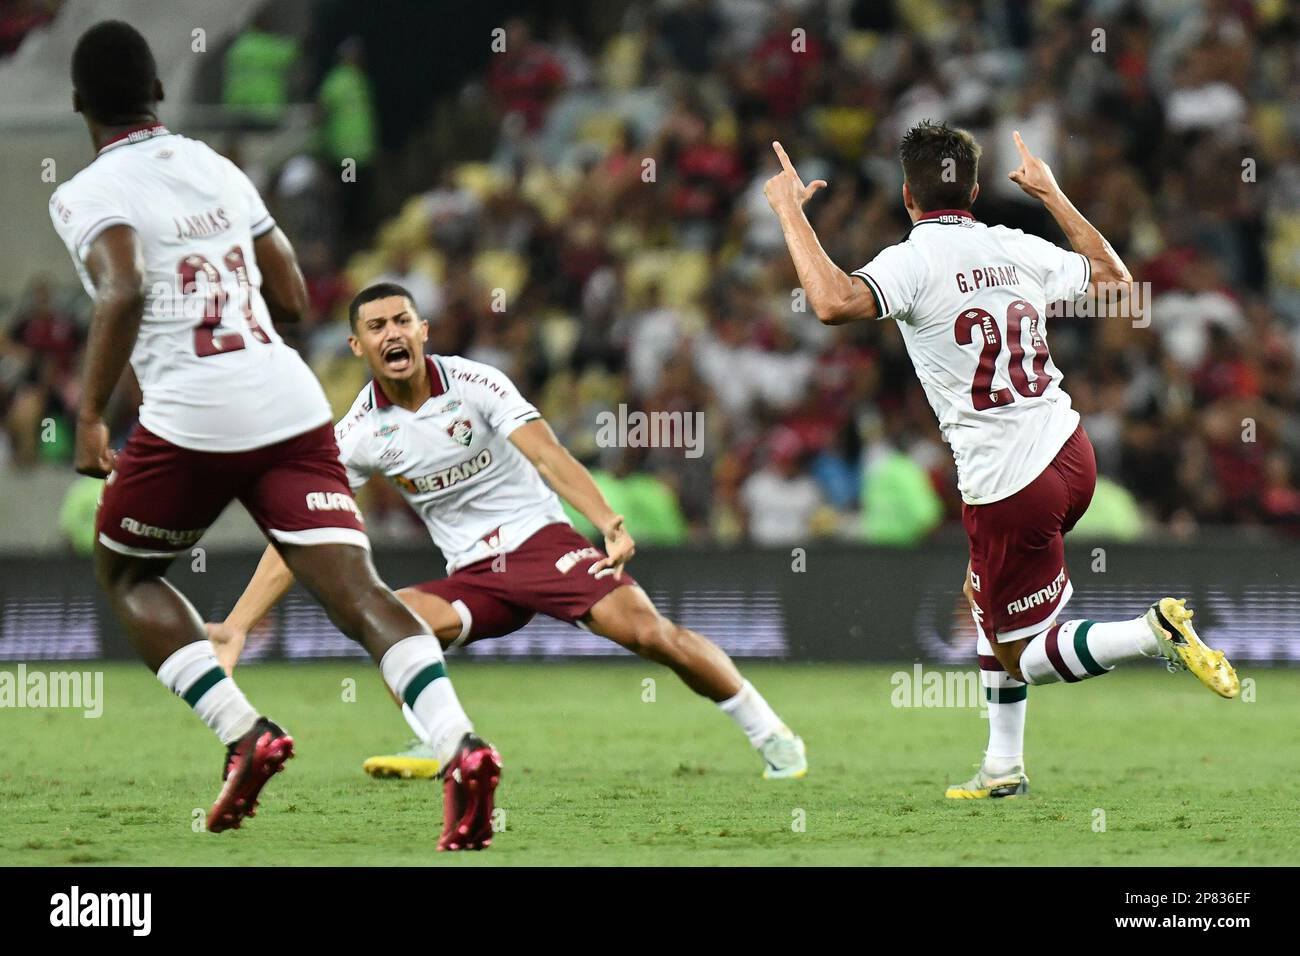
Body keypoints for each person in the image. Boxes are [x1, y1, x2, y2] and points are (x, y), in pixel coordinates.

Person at [49, 21, 498, 850]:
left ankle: (243, 731)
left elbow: (121, 290)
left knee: (128, 575)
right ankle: (460, 745)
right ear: (156, 92)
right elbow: (290, 293)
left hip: (192, 412)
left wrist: (85, 416)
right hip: (288, 402)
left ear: (79, 103)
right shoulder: (217, 166)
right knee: (360, 595)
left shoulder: (82, 193)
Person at [764, 120, 1239, 799]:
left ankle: (1150, 633)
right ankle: (1001, 766)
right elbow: (1113, 277)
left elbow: (833, 301)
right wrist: (1050, 193)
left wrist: (787, 210)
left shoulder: (912, 259)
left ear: (907, 196)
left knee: (1023, 652)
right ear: (978, 191)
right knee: (982, 597)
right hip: (1071, 457)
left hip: (1009, 483)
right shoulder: (1013, 246)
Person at [206, 283, 807, 783]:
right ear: (357, 344)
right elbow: (304, 531)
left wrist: (607, 522)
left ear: (423, 331)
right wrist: (235, 624)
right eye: (377, 326)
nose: (392, 333)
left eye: (402, 321)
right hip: (474, 577)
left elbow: (547, 456)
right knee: (386, 621)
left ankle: (770, 733)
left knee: (652, 634)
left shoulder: (475, 383)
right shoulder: (357, 434)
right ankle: (443, 741)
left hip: (543, 545)